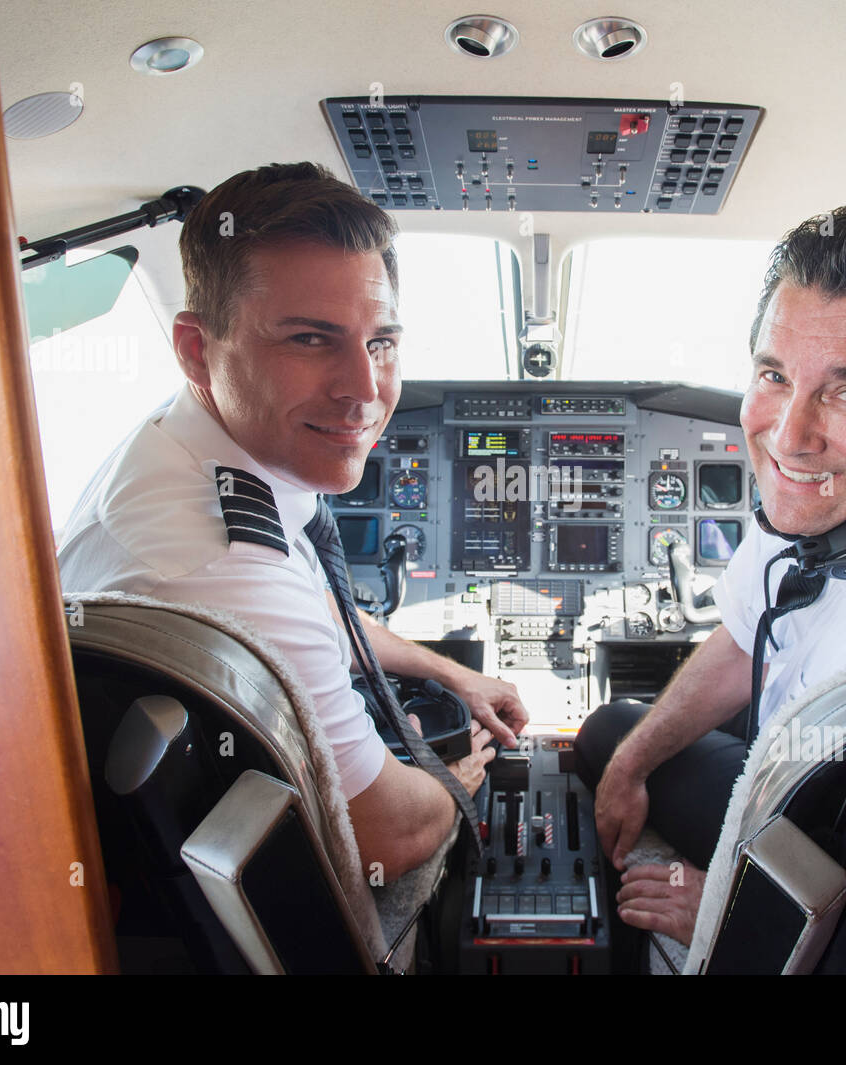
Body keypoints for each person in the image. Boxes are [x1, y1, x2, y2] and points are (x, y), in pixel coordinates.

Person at [59, 162, 529, 881]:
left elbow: (306, 611)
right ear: (196, 349)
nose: (364, 392)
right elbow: (382, 839)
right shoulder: (220, 557)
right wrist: (455, 783)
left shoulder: (185, 441)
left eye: (381, 342)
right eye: (311, 340)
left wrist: (446, 672)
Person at [575, 195, 846, 946]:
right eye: (774, 375)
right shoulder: (811, 502)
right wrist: (631, 764)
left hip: (830, 856)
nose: (788, 437)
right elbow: (742, 638)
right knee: (612, 734)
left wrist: (732, 910)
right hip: (776, 773)